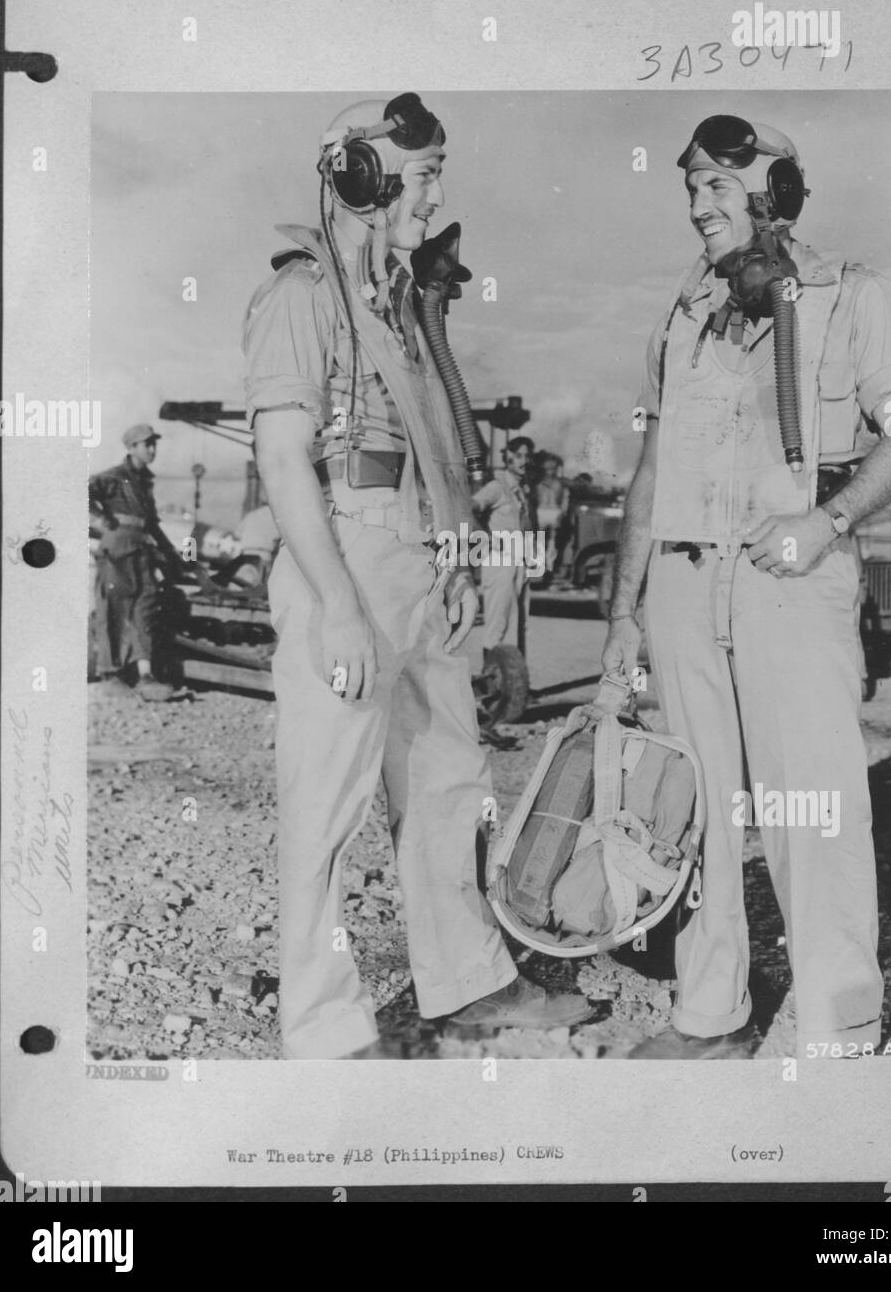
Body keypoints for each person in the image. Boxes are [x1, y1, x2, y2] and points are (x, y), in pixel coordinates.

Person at [244, 93, 591, 1058]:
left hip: (421, 560)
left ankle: (466, 982)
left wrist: (461, 556)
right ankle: (323, 1030)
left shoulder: (399, 308)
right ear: (362, 176)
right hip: (343, 557)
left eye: (437, 173)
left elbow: (442, 453)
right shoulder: (301, 296)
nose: (436, 197)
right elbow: (282, 466)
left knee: (449, 777)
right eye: (425, 174)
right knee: (325, 802)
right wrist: (340, 610)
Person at [603, 114, 891, 1059]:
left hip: (793, 580)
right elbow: (651, 471)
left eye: (717, 188)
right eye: (690, 188)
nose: (698, 207)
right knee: (695, 807)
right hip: (682, 584)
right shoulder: (683, 311)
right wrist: (623, 613)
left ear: (775, 193)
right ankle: (709, 1012)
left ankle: (837, 1024)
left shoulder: (853, 296)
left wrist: (824, 524)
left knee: (812, 803)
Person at [88, 423, 180, 700]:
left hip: (142, 551)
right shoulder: (114, 477)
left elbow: (151, 524)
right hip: (117, 550)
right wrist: (101, 520)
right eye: (146, 444)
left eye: (154, 444)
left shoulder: (144, 482)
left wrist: (173, 555)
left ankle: (145, 675)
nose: (152, 450)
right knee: (113, 611)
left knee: (146, 611)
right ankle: (111, 674)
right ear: (131, 448)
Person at [471, 435, 538, 660]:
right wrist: (487, 537)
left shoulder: (522, 490)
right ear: (507, 457)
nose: (524, 461)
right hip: (499, 559)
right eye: (518, 455)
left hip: (520, 560)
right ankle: (491, 681)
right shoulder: (496, 487)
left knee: (520, 624)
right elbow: (471, 507)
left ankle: (515, 687)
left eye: (527, 456)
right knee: (497, 622)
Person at [534, 451, 570, 583]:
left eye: (552, 468)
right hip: (541, 512)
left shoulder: (559, 484)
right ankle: (541, 568)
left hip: (553, 512)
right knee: (541, 541)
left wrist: (562, 512)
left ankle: (548, 568)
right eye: (547, 468)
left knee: (551, 542)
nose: (550, 470)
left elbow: (564, 500)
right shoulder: (538, 484)